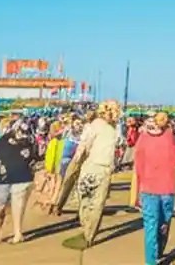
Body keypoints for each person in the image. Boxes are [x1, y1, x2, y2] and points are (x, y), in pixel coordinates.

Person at [64, 99, 121, 250]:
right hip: (105, 168)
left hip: (91, 166)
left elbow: (84, 145)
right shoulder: (114, 129)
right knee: (96, 203)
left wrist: (76, 161)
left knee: (86, 201)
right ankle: (89, 232)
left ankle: (87, 232)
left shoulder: (95, 125)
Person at [135, 111, 175, 265]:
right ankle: (151, 260)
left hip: (163, 188)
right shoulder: (146, 137)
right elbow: (138, 163)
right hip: (154, 189)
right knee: (154, 225)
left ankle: (156, 253)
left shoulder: (170, 136)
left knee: (159, 224)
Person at [0, 120, 40, 244]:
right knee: (15, 206)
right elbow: (36, 156)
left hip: (3, 177)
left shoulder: (2, 140)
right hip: (20, 175)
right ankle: (16, 233)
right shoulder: (30, 141)